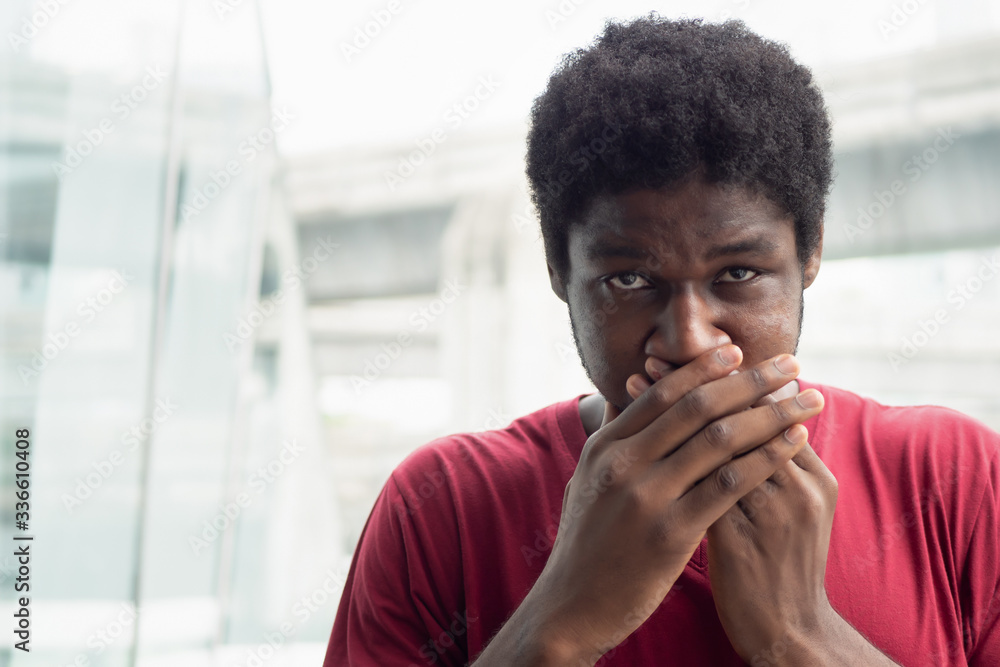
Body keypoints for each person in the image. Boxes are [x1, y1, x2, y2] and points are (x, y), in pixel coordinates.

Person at [324, 15, 1000, 666]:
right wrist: (557, 623)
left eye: (738, 273)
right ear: (560, 268)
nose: (689, 341)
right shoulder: (438, 507)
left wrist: (802, 635)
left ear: (811, 251)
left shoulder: (955, 481)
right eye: (628, 279)